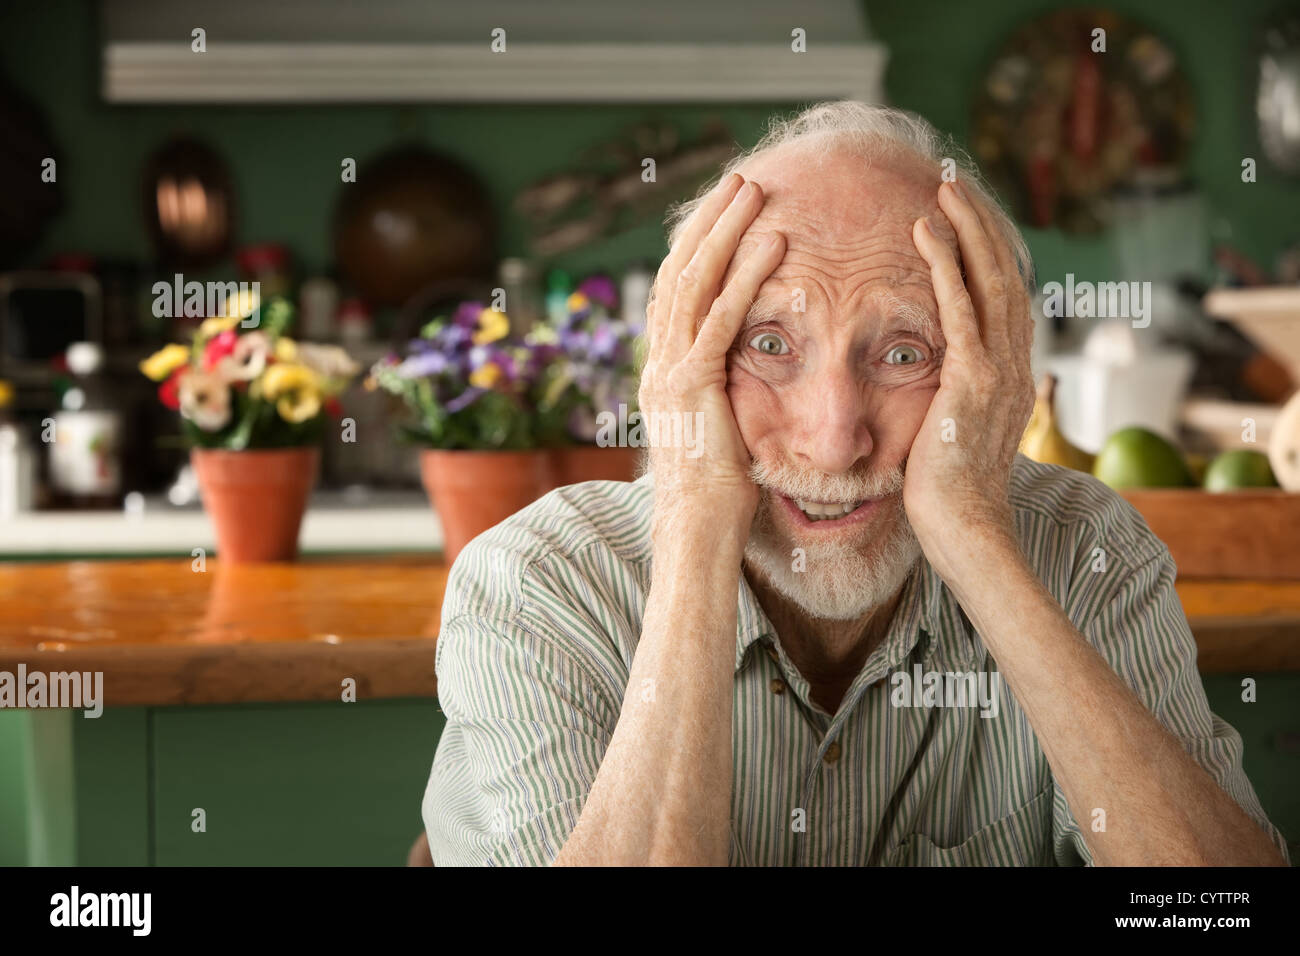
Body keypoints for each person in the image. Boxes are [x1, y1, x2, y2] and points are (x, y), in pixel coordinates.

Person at [423, 101, 1289, 866]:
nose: (835, 442)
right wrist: (693, 525)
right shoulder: (537, 585)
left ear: (992, 377)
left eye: (906, 354)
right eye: (769, 346)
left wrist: (977, 542)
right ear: (683, 361)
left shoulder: (1088, 554)